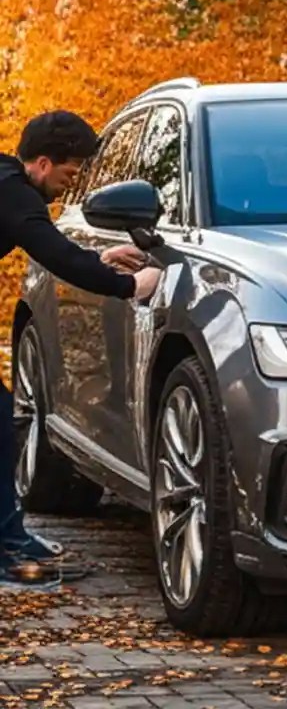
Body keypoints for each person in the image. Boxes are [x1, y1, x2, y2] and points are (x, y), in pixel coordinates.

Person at [0, 110, 161, 584]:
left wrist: (97, 259)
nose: (69, 185)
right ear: (44, 163)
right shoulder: (15, 194)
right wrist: (131, 286)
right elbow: (54, 255)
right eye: (70, 172)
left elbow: (51, 245)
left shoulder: (6, 186)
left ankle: (9, 538)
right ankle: (10, 548)